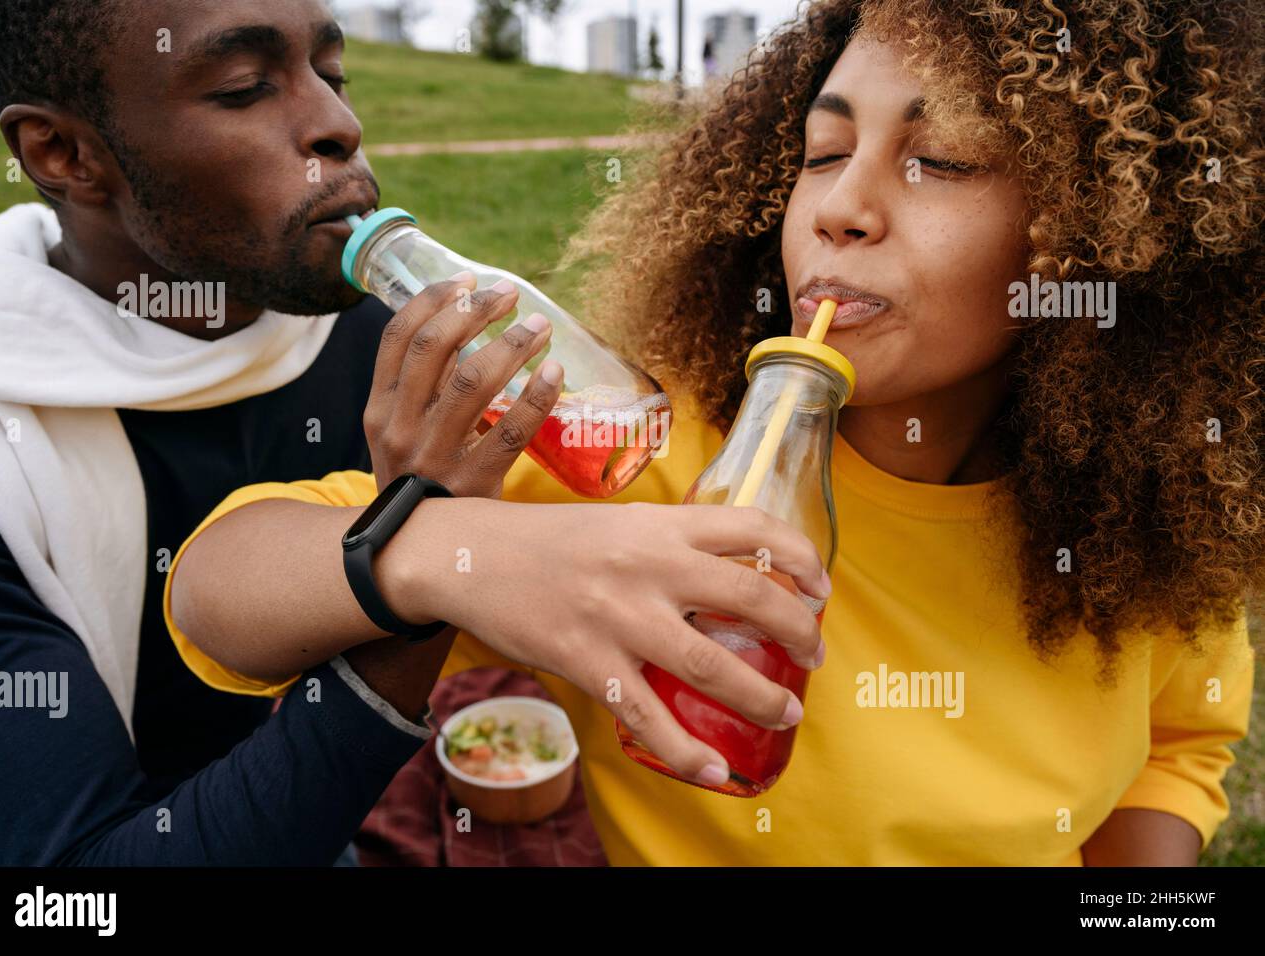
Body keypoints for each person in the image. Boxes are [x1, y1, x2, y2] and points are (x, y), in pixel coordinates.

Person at [163, 0, 1262, 865]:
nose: (841, 208)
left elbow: (1181, 746)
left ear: (1112, 232)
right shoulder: (649, 467)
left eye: (946, 159)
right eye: (822, 154)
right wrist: (461, 553)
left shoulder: (1150, 519)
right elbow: (212, 590)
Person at [0, 0, 821, 865]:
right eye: (242, 87)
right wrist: (419, 559)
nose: (339, 123)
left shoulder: (391, 347)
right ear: (61, 153)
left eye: (332, 74)